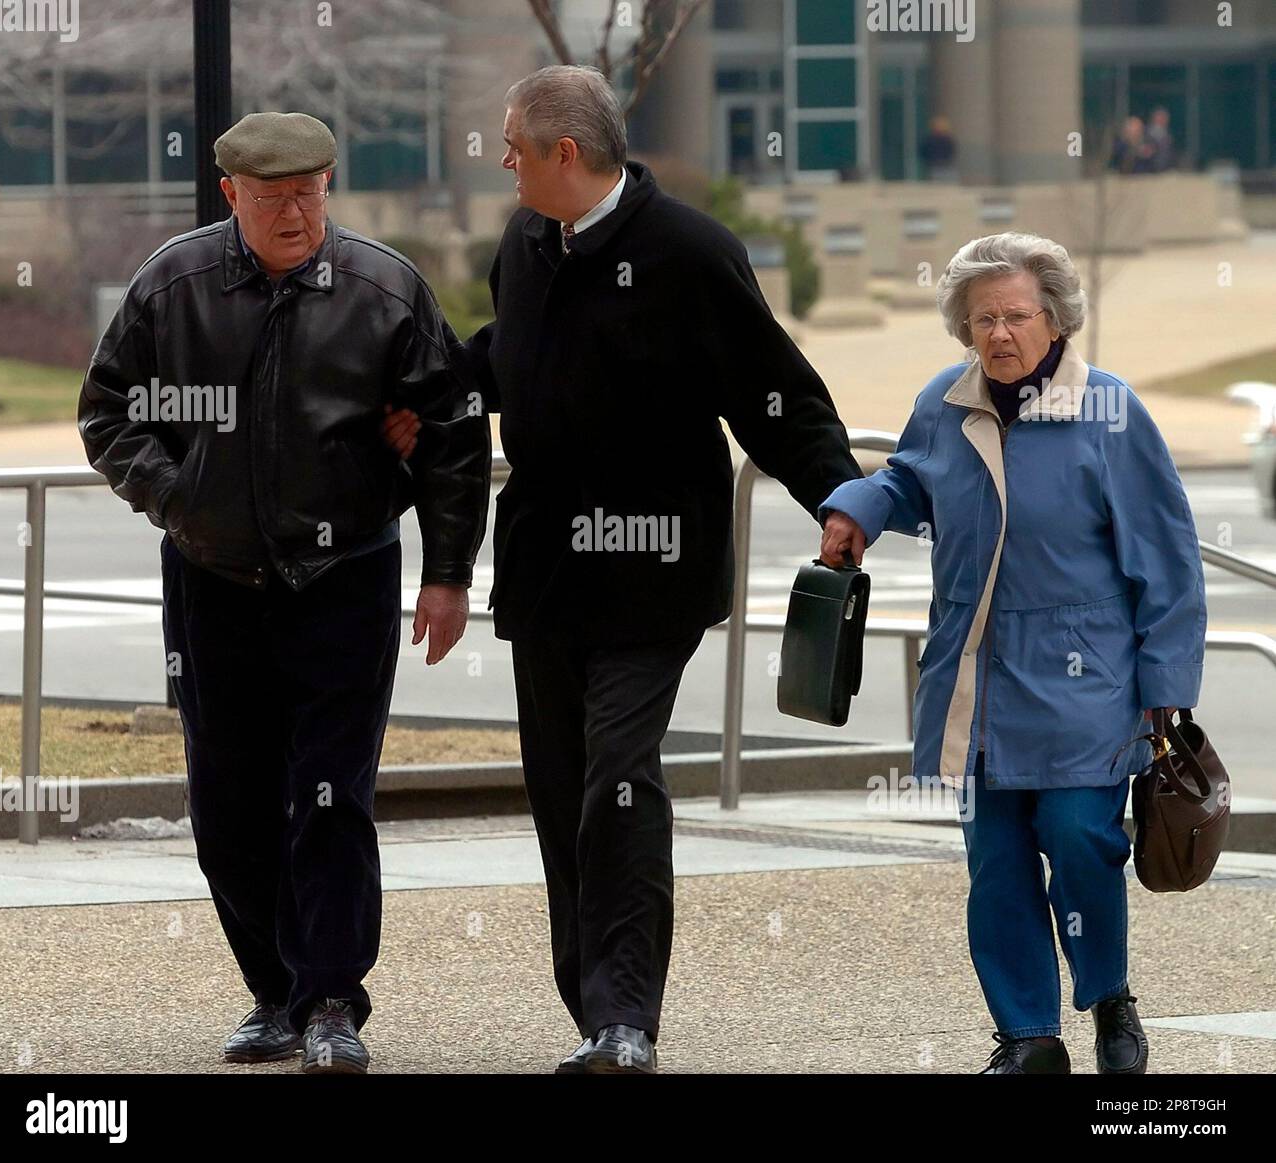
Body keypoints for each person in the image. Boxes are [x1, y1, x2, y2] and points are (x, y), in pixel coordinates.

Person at [384, 65, 863, 1074]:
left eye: (513, 144)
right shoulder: (524, 241)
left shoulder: (689, 252)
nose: (501, 159)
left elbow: (773, 391)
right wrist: (431, 395)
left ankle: (626, 1018)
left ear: (566, 153)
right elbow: (509, 351)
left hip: (654, 569)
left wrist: (837, 495)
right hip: (548, 571)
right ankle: (593, 1005)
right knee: (561, 790)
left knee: (619, 777)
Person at [79, 111, 490, 1074]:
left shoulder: (386, 290)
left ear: (330, 186)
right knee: (228, 795)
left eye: (310, 193)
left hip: (343, 574)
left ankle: (332, 1000)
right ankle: (272, 992)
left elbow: (452, 434)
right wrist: (177, 496)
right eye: (273, 200)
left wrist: (447, 571)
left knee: (331, 794)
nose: (296, 214)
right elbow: (107, 409)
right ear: (231, 196)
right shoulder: (172, 286)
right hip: (214, 576)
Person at [817, 231, 1206, 1074]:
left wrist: (1165, 686)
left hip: (1085, 675)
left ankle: (1108, 998)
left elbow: (1168, 559)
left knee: (1080, 840)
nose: (999, 333)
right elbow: (908, 481)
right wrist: (857, 507)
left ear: (1056, 319)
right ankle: (1027, 1032)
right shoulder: (944, 403)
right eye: (983, 317)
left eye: (1018, 315)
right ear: (963, 325)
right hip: (975, 672)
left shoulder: (1110, 410)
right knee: (994, 861)